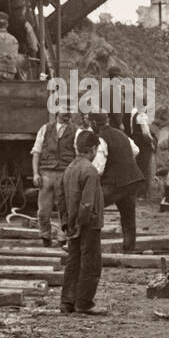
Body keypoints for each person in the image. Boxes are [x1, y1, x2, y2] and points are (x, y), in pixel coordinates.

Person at [60, 130, 106, 315]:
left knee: (73, 262)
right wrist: (81, 223)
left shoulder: (69, 168)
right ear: (92, 149)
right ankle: (84, 303)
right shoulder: (90, 170)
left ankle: (67, 302)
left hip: (73, 224)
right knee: (91, 263)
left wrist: (67, 223)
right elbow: (87, 203)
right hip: (88, 225)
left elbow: (61, 199)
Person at [90, 112, 144, 253]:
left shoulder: (101, 138)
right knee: (128, 216)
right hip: (132, 180)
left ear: (94, 123)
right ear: (107, 120)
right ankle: (129, 248)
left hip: (115, 183)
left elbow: (98, 168)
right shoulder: (121, 133)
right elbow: (135, 150)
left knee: (92, 206)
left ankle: (89, 246)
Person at [31, 109, 76, 245]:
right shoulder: (45, 129)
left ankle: (63, 239)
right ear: (57, 112)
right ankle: (45, 236)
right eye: (64, 111)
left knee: (66, 209)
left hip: (65, 174)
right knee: (43, 211)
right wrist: (35, 174)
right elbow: (36, 153)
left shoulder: (76, 131)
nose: (67, 114)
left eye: (69, 111)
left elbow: (79, 154)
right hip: (46, 175)